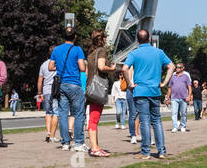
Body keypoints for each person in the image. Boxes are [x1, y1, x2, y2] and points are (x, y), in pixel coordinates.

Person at [125, 28, 173, 159]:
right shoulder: (159, 52)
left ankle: (145, 152)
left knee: (145, 121)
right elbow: (171, 66)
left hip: (140, 91)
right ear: (149, 39)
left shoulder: (134, 53)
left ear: (137, 40)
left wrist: (130, 84)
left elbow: (124, 68)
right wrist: (164, 83)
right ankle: (161, 151)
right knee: (157, 121)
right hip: (155, 91)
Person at [84, 29, 122, 157]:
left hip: (90, 87)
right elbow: (101, 67)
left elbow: (87, 73)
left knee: (92, 118)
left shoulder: (91, 53)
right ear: (102, 39)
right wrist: (111, 69)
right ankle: (94, 148)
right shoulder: (101, 51)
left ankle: (96, 146)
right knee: (94, 119)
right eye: (105, 37)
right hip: (98, 89)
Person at [52, 28, 89, 152]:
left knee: (63, 113)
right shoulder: (77, 50)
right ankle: (78, 142)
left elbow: (51, 66)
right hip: (74, 84)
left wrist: (60, 67)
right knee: (78, 113)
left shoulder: (56, 50)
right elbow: (82, 68)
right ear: (75, 36)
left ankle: (65, 142)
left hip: (61, 84)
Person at [38, 54, 58, 142]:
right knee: (56, 112)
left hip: (46, 90)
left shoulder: (43, 65)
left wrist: (39, 92)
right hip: (56, 90)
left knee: (48, 112)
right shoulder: (58, 63)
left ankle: (48, 132)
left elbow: (40, 80)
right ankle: (53, 135)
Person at [169, 62, 193, 132]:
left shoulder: (186, 76)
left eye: (179, 67)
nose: (177, 68)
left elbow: (189, 87)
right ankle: (175, 127)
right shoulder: (173, 76)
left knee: (183, 113)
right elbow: (169, 88)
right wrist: (167, 97)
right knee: (174, 113)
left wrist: (189, 96)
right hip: (174, 98)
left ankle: (183, 126)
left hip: (184, 97)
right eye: (176, 67)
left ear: (182, 68)